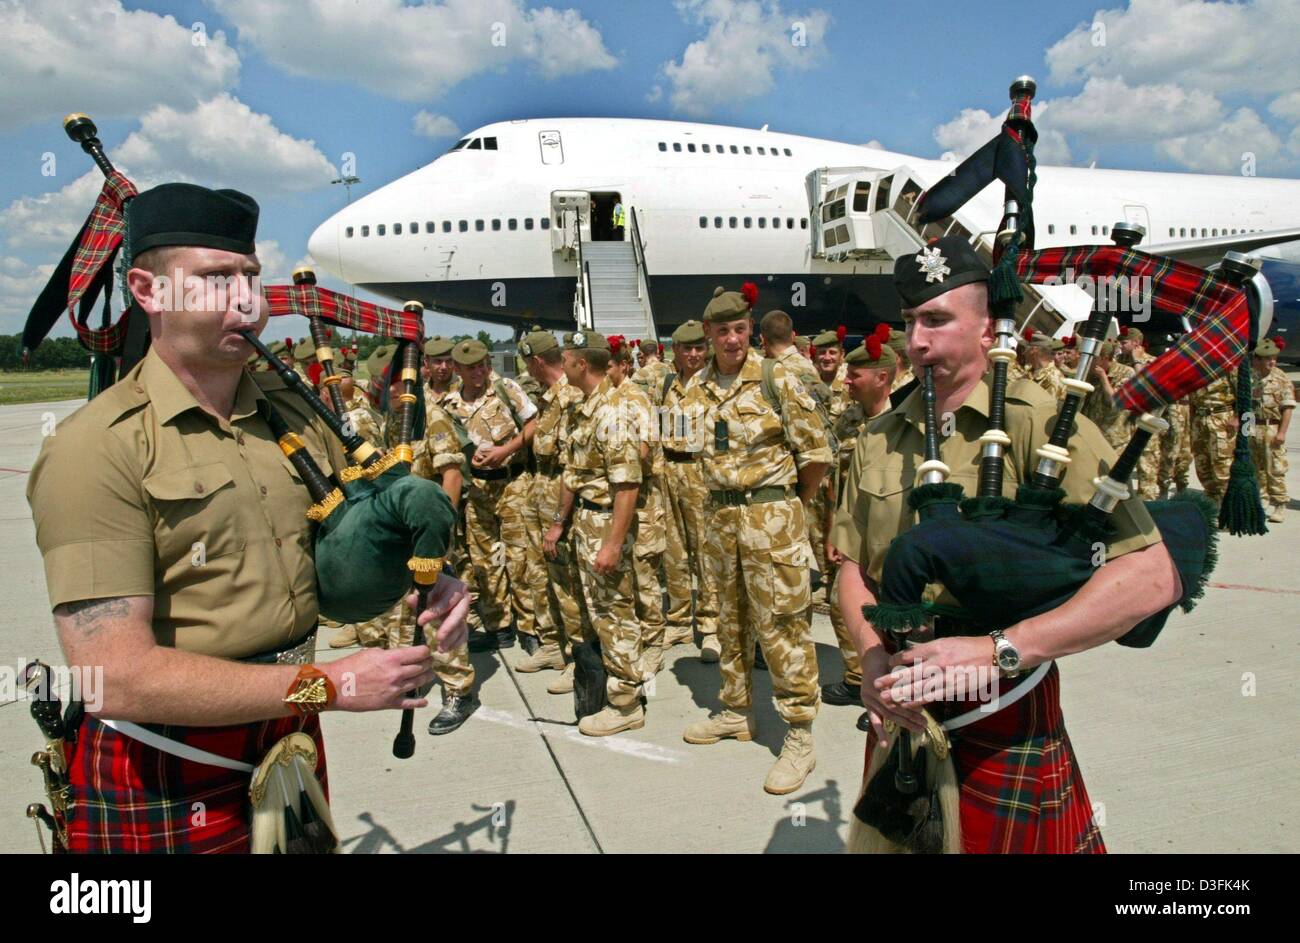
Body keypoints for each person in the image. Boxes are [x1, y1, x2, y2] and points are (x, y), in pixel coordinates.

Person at [25, 182, 467, 853]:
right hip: (166, 767)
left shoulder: (291, 418)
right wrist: (335, 683)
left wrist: (427, 571)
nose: (245, 300)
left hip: (283, 739)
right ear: (149, 292)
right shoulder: (97, 447)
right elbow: (113, 675)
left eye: (251, 277)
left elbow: (339, 567)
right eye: (215, 278)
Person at [833, 235, 1179, 853]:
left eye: (937, 320)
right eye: (911, 322)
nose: (916, 341)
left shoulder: (1041, 422)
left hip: (1001, 712)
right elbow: (853, 569)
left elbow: (1152, 580)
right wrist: (870, 658)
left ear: (991, 329)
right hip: (902, 704)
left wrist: (1000, 650)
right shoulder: (879, 436)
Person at [680, 286, 832, 795]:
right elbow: (689, 452)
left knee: (783, 626)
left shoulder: (778, 377)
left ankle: (799, 733)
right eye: (721, 331)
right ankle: (735, 711)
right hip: (720, 522)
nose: (732, 339)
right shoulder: (694, 390)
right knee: (729, 619)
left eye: (740, 329)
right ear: (707, 336)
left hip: (772, 517)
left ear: (751, 330)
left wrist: (788, 506)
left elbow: (816, 456)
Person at [546, 331, 648, 736]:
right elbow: (574, 473)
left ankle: (627, 705)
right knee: (600, 613)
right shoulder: (586, 407)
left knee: (615, 614)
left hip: (606, 522)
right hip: (586, 523)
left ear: (581, 364)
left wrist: (613, 542)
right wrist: (561, 522)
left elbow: (628, 486)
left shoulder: (613, 414)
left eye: (567, 357)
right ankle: (615, 689)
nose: (563, 363)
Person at [443, 339, 538, 651]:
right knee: (486, 563)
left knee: (520, 558)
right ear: (458, 369)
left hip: (513, 486)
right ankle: (499, 627)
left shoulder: (505, 388)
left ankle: (530, 629)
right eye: (472, 368)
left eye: (484, 365)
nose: (480, 372)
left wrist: (506, 450)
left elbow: (535, 424)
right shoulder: (449, 405)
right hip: (478, 493)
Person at [821, 333, 896, 716]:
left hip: (890, 530)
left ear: (882, 378)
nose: (847, 381)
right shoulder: (849, 418)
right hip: (854, 524)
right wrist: (836, 526)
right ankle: (859, 681)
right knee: (841, 603)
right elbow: (838, 474)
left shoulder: (903, 419)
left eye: (856, 375)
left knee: (893, 617)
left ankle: (888, 699)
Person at [519, 330, 590, 683]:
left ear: (535, 361)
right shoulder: (548, 398)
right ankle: (551, 643)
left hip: (560, 495)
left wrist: (560, 520)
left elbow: (573, 467)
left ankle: (579, 656)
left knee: (566, 581)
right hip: (540, 490)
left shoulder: (571, 398)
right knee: (540, 574)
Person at [657, 320, 720, 657]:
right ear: (676, 351)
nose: (694, 354)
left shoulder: (713, 384)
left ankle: (710, 626)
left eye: (699, 348)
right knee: (674, 551)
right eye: (687, 348)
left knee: (705, 552)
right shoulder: (667, 383)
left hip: (699, 470)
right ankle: (679, 621)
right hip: (669, 470)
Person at [609, 338, 668, 677]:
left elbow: (643, 450)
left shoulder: (636, 398)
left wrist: (611, 465)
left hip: (643, 505)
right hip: (620, 502)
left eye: (611, 368)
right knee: (625, 580)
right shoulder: (607, 399)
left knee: (645, 581)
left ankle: (654, 646)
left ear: (623, 366)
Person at [1249, 337, 1294, 523]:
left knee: (1275, 468)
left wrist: (1282, 433)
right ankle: (1261, 500)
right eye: (1268, 359)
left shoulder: (1281, 378)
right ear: (1257, 360)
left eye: (1274, 358)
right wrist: (1244, 433)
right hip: (1252, 426)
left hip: (1271, 427)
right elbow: (1246, 405)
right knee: (1255, 468)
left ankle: (1279, 504)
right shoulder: (1250, 377)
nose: (1272, 362)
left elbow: (1288, 408)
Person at [1186, 368, 1239, 510]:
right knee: (1202, 465)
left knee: (1223, 467)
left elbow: (1246, 395)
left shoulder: (1229, 367)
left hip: (1222, 419)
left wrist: (1237, 418)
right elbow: (1192, 398)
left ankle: (1229, 510)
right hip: (1199, 420)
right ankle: (1212, 505)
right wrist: (1191, 423)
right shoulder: (1195, 369)